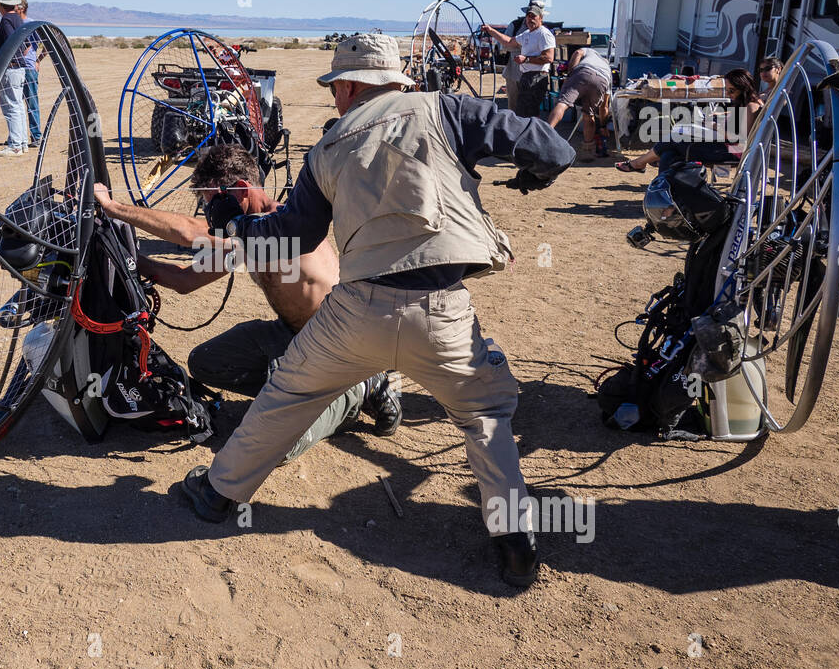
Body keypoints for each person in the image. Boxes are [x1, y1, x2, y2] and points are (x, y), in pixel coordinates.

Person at [175, 33, 576, 587]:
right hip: (443, 312)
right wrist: (538, 172)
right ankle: (515, 546)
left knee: (289, 394)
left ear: (355, 83)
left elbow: (289, 236)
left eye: (337, 86)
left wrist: (230, 221)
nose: (335, 97)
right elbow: (554, 148)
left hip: (355, 311)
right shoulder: (449, 110)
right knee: (485, 417)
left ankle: (218, 494)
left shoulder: (328, 146)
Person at [93, 144, 402, 457]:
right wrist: (126, 257)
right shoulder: (249, 235)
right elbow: (185, 280)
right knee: (206, 363)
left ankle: (356, 391)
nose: (208, 210)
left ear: (240, 190)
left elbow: (190, 233)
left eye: (211, 199)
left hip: (332, 350)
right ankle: (292, 397)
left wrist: (113, 207)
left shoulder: (283, 228)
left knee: (277, 446)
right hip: (291, 337)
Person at [617, 68, 761, 173]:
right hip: (728, 147)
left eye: (732, 91)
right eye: (728, 90)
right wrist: (723, 115)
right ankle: (664, 190)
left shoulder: (751, 107)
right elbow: (739, 122)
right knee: (669, 151)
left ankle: (639, 163)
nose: (729, 95)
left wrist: (715, 126)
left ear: (743, 88)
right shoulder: (751, 103)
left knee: (673, 140)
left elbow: (741, 139)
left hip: (733, 151)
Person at [484, 2, 555, 118]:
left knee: (529, 113)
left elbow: (549, 57)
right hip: (526, 76)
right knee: (522, 111)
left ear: (541, 18)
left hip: (537, 77)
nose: (530, 19)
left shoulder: (544, 34)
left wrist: (526, 59)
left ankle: (531, 135)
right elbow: (508, 42)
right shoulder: (527, 33)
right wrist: (491, 31)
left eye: (533, 16)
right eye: (528, 16)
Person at [547, 46, 614, 161]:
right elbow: (604, 107)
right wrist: (603, 126)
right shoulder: (608, 70)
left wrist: (570, 74)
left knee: (563, 103)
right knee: (589, 115)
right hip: (602, 80)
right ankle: (587, 151)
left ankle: (545, 134)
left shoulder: (591, 51)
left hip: (582, 72)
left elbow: (577, 52)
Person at [0, 0, 29, 156]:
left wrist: (7, 60)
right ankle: (22, 142)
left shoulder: (6, 20)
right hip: (19, 68)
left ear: (0, 5)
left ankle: (15, 145)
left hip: (10, 68)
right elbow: (26, 44)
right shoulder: (18, 19)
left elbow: (11, 42)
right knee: (18, 105)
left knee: (10, 106)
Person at [15, 0, 46, 145]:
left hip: (28, 68)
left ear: (20, 8)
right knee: (16, 104)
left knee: (32, 102)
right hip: (15, 68)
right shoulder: (13, 24)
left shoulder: (32, 24)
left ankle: (36, 136)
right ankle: (19, 137)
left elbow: (49, 44)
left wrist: (38, 60)